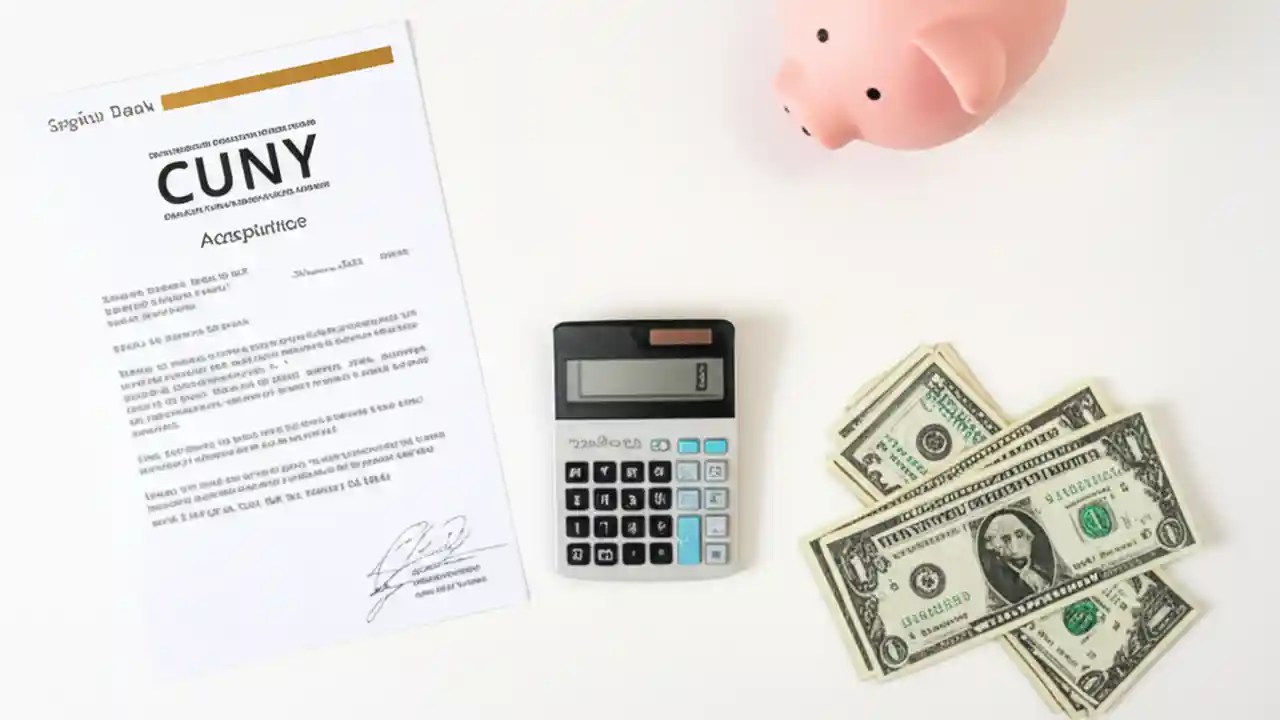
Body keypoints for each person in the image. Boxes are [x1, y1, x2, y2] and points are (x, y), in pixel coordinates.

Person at [979, 510, 1055, 603]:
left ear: (1028, 537)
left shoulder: (1043, 571)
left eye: (1019, 535)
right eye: (1006, 539)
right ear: (996, 547)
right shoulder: (999, 581)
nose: (1015, 544)